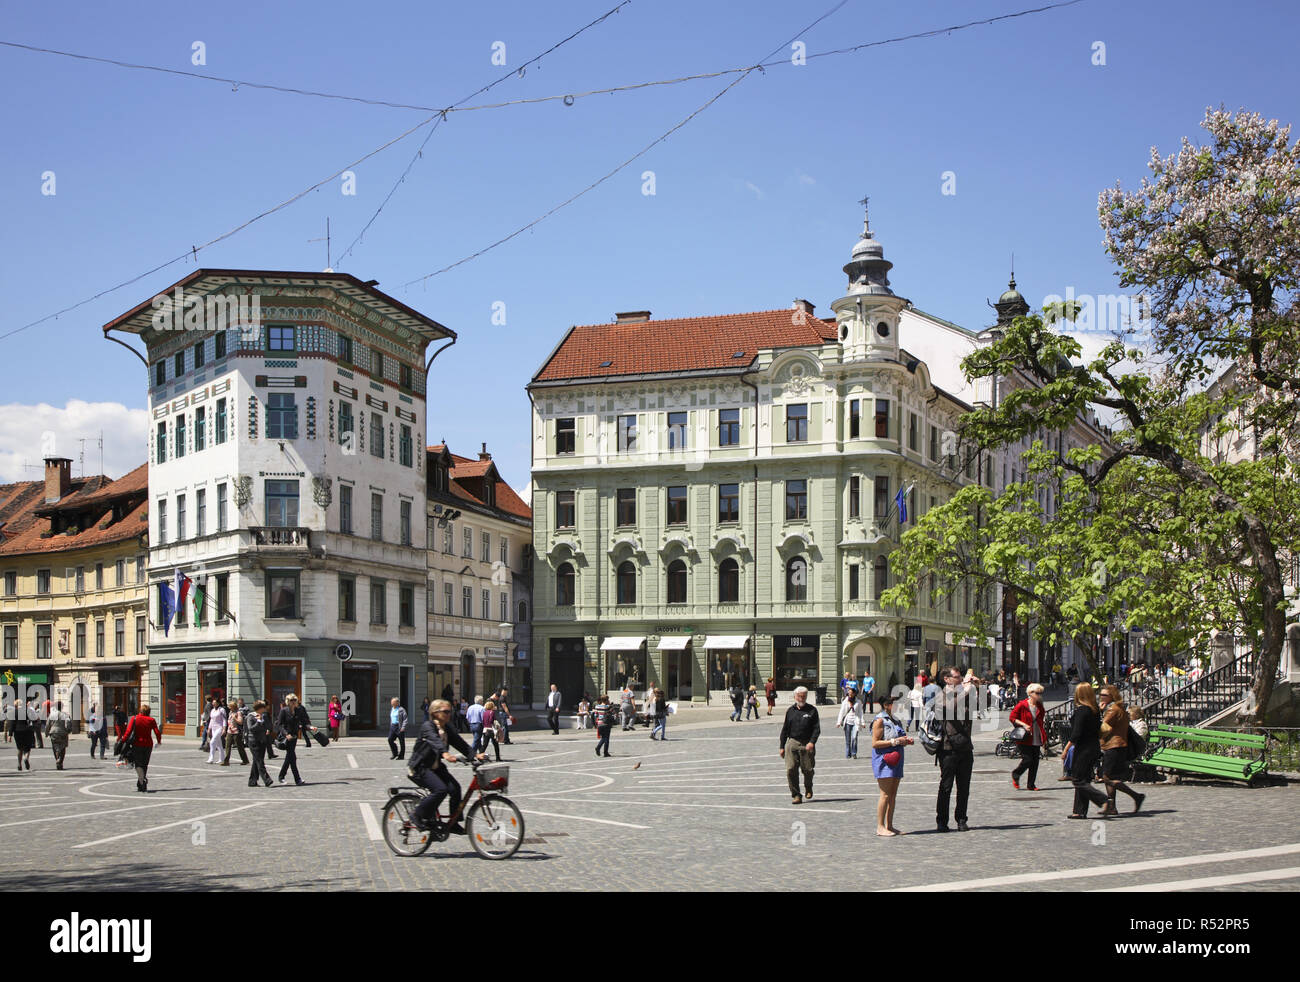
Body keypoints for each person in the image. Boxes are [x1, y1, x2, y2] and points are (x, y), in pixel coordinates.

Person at [407, 700, 487, 834]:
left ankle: (453, 822)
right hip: (420, 767)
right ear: (435, 713)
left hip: (436, 767)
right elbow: (434, 740)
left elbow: (459, 742)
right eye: (445, 711)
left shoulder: (446, 727)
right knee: (440, 790)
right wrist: (445, 753)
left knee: (455, 789)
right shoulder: (428, 726)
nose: (449, 714)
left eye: (450, 711)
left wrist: (475, 755)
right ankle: (416, 814)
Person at [935, 666, 976, 832]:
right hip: (948, 748)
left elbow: (981, 707)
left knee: (964, 787)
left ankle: (961, 819)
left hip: (965, 746)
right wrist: (965, 691)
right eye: (957, 677)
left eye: (960, 677)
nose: (960, 680)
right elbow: (948, 709)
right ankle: (942, 821)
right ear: (947, 679)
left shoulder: (965, 693)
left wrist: (977, 688)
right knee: (946, 787)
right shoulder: (940, 695)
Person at [1062, 682, 1109, 819]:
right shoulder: (1093, 710)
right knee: (1084, 779)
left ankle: (1102, 799)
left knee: (1077, 779)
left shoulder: (1082, 710)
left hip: (1084, 748)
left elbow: (1076, 733)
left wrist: (1066, 749)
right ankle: (1079, 811)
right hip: (1094, 746)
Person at [871, 691, 913, 835]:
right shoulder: (879, 720)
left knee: (893, 794)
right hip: (884, 761)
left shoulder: (895, 720)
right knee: (885, 794)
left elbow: (900, 738)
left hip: (897, 759)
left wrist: (906, 741)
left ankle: (889, 825)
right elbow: (875, 743)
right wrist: (895, 741)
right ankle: (880, 826)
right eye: (895, 704)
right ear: (887, 706)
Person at [1098, 685, 1144, 814]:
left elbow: (1104, 728)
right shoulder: (1119, 708)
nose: (1101, 697)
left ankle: (1136, 796)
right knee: (1109, 776)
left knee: (1107, 778)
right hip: (1118, 746)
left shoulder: (1113, 709)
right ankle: (1112, 807)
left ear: (1112, 696)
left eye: (1104, 695)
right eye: (1100, 694)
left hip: (1114, 746)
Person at [778, 686, 820, 805]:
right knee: (790, 769)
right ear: (795, 696)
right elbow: (785, 729)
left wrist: (812, 742)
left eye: (804, 696)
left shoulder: (812, 710)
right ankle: (796, 795)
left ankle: (808, 787)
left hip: (807, 743)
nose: (801, 698)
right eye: (799, 696)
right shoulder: (790, 711)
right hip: (792, 743)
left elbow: (817, 729)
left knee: (808, 770)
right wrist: (782, 746)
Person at [1009, 682, 1049, 790]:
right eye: (1037, 693)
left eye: (1040, 693)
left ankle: (1031, 784)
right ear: (1030, 693)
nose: (1039, 695)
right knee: (1027, 759)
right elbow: (1012, 717)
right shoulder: (1022, 705)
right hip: (1025, 737)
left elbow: (1041, 721)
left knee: (1035, 762)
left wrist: (1044, 738)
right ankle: (1016, 774)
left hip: (1036, 735)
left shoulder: (1040, 706)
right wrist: (1023, 724)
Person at [276, 694, 318, 785]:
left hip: (294, 737)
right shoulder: (284, 711)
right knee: (292, 757)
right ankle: (297, 779)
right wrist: (286, 734)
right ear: (288, 701)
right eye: (291, 700)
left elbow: (304, 722)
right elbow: (279, 724)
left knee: (289, 757)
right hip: (287, 737)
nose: (293, 701)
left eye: (295, 700)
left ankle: (281, 776)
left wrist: (310, 727)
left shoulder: (299, 710)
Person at [124, 704, 162, 792]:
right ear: (149, 712)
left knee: (138, 764)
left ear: (140, 711)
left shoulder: (134, 719)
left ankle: (142, 781)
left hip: (137, 744)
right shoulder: (151, 720)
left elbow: (128, 731)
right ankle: (141, 782)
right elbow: (157, 732)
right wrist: (159, 741)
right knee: (145, 764)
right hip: (148, 745)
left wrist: (123, 740)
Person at [244, 700, 274, 788]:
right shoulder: (251, 716)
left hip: (262, 740)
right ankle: (267, 779)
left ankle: (252, 781)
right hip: (253, 741)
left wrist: (267, 728)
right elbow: (251, 728)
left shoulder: (264, 715)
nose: (265, 709)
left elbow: (268, 725)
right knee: (260, 761)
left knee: (256, 761)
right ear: (260, 708)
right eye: (264, 707)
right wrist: (258, 722)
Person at [836, 686, 863, 759]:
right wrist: (839, 722)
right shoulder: (845, 701)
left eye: (851, 693)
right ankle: (848, 754)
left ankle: (854, 753)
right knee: (848, 739)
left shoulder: (858, 702)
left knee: (854, 738)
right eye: (849, 693)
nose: (849, 695)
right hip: (848, 721)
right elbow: (842, 712)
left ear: (854, 694)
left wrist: (862, 723)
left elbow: (860, 713)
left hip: (855, 721)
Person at [223, 700, 250, 766]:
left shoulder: (238, 713)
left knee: (239, 747)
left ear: (233, 706)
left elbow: (240, 722)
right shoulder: (230, 712)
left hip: (236, 732)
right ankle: (226, 761)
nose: (228, 707)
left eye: (229, 706)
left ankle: (245, 760)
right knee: (227, 746)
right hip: (230, 731)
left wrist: (235, 718)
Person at [44, 701, 69, 770]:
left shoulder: (52, 715)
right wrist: (68, 730)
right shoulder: (65, 715)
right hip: (63, 732)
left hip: (53, 732)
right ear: (62, 707)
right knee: (63, 747)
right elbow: (69, 723)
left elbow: (47, 725)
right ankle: (60, 761)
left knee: (55, 747)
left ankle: (57, 759)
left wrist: (46, 733)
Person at [12, 699, 35, 770]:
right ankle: (26, 758)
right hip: (27, 730)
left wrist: (10, 734)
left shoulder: (14, 712)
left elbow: (12, 723)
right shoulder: (27, 710)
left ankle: (19, 764)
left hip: (17, 731)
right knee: (27, 748)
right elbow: (33, 719)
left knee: (19, 748)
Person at [593, 693, 614, 757]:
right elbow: (612, 712)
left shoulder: (597, 706)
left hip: (599, 723)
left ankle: (600, 749)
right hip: (606, 723)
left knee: (603, 737)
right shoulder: (607, 707)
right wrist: (610, 704)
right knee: (606, 738)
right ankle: (603, 751)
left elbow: (596, 715)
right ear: (607, 700)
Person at [206, 700, 226, 764]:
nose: (213, 704)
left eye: (215, 703)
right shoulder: (212, 710)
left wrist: (224, 729)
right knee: (218, 744)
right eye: (213, 702)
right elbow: (211, 720)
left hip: (219, 728)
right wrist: (209, 728)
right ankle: (222, 759)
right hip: (214, 728)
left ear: (218, 703)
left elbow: (224, 720)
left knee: (212, 742)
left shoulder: (221, 710)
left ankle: (211, 758)